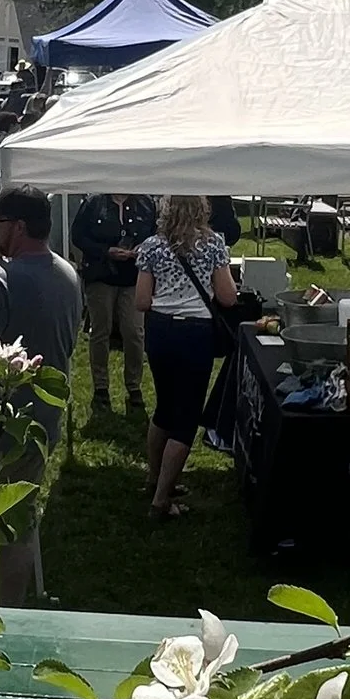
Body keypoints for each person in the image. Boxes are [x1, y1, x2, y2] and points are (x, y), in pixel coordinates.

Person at [0, 186, 83, 600]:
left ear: (21, 227)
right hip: (42, 425)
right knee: (20, 522)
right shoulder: (69, 275)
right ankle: (13, 612)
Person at [135, 195, 239, 525]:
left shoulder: (151, 246)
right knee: (186, 417)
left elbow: (140, 301)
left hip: (160, 330)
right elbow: (227, 296)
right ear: (202, 210)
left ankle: (154, 478)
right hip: (195, 332)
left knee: (165, 409)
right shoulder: (213, 245)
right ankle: (161, 500)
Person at [70, 191, 155, 415]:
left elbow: (156, 235)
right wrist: (105, 251)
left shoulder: (145, 203)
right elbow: (78, 236)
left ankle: (134, 386)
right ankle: (100, 386)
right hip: (101, 275)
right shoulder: (94, 202)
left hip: (133, 277)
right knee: (101, 330)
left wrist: (142, 249)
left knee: (134, 331)